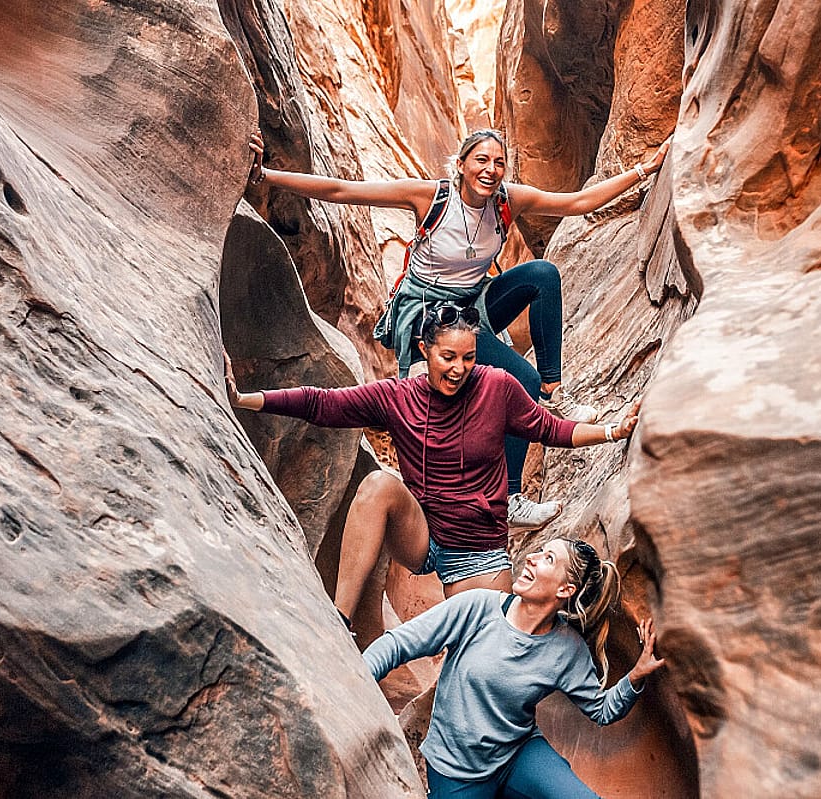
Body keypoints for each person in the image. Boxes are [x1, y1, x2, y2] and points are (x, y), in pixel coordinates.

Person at [247, 128, 669, 533]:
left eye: (499, 162)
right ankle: (503, 499)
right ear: (462, 164)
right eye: (481, 160)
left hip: (473, 304)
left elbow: (578, 202)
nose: (491, 169)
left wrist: (645, 170)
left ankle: (555, 396)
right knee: (518, 379)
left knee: (542, 274)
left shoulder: (507, 202)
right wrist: (265, 175)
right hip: (428, 312)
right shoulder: (431, 197)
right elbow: (341, 190)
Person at [225, 306, 640, 630]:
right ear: (425, 350)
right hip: (424, 536)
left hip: (478, 551)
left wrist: (612, 430)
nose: (459, 369)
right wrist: (245, 399)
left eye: (469, 358)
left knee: (482, 646)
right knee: (377, 485)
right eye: (448, 357)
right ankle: (341, 620)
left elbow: (551, 427)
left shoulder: (496, 386)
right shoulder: (398, 396)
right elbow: (322, 403)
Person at [363, 536, 666, 798]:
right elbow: (397, 645)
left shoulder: (567, 648)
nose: (531, 558)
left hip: (518, 755)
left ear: (565, 590)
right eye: (540, 551)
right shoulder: (477, 608)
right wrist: (357, 680)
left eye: (548, 558)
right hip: (456, 770)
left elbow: (600, 710)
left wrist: (636, 675)